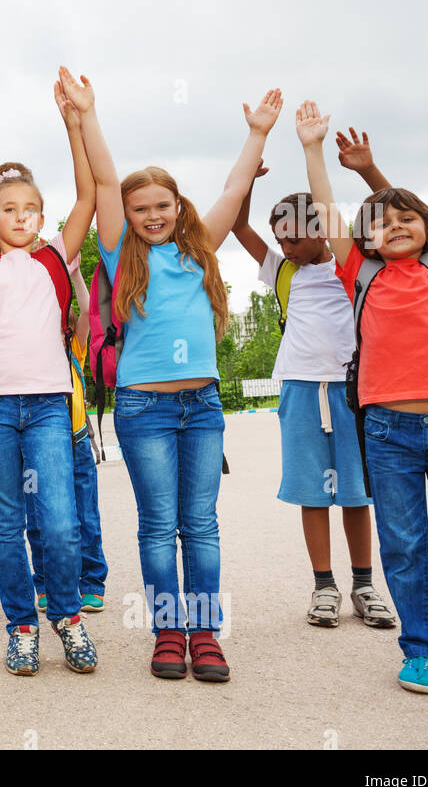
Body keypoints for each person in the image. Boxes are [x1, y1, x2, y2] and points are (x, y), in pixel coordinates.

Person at [298, 60, 428, 702]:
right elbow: (329, 212)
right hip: (387, 431)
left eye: (406, 215)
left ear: (427, 225)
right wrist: (312, 150)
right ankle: (420, 651)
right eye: (380, 221)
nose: (394, 225)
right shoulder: (359, 274)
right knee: (406, 549)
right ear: (363, 238)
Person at [73, 65, 283, 682]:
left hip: (203, 407)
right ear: (129, 216)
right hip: (144, 409)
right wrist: (87, 114)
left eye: (162, 205)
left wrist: (258, 132)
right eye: (141, 209)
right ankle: (168, 632)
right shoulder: (120, 249)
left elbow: (235, 185)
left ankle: (206, 634)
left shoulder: (201, 248)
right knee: (159, 526)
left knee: (202, 526)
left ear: (178, 206)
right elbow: (107, 180)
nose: (151, 215)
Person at [0, 74, 99, 676]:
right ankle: (22, 625)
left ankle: (68, 614)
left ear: (41, 216)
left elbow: (87, 196)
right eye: (9, 209)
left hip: (48, 405)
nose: (21, 216)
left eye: (31, 209)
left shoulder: (58, 257)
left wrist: (73, 123)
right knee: (6, 523)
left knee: (59, 522)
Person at [230, 149, 395, 631]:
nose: (288, 248)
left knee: (357, 494)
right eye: (282, 239)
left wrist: (366, 168)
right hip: (300, 391)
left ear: (323, 228)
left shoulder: (357, 265)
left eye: (297, 238)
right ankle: (324, 587)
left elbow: (393, 210)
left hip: (353, 391)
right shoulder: (283, 272)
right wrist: (249, 183)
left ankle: (364, 585)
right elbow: (241, 229)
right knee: (312, 493)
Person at [27, 252, 108, 617]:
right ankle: (45, 583)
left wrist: (73, 274)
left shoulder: (71, 348)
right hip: (38, 448)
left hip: (76, 443)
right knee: (39, 519)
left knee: (85, 517)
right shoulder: (27, 353)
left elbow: (91, 314)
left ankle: (91, 584)